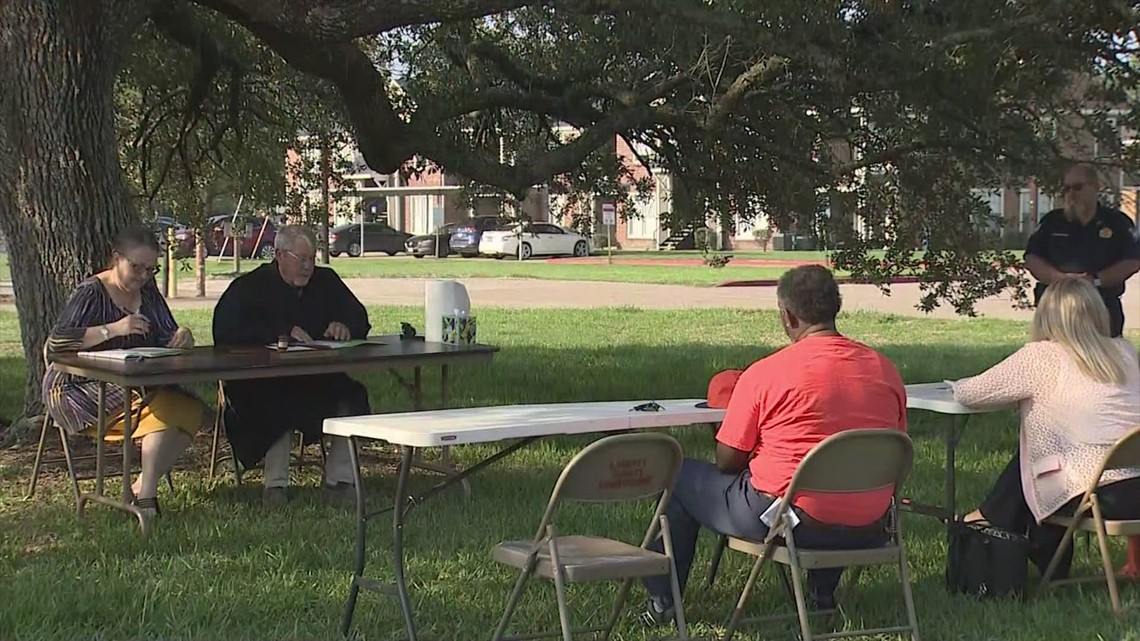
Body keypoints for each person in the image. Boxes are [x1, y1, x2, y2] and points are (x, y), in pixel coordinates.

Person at [642, 265, 908, 624]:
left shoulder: (767, 373)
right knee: (838, 490)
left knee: (682, 475)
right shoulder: (885, 370)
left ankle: (662, 602)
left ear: (787, 316)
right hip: (871, 523)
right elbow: (892, 449)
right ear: (836, 308)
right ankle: (822, 595)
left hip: (791, 522)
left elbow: (727, 462)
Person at [951, 276, 1140, 579]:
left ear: (1046, 315)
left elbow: (971, 394)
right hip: (1133, 486)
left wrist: (954, 384)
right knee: (1040, 457)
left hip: (1091, 492)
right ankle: (990, 519)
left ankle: (987, 528)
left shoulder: (1042, 356)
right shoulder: (1124, 353)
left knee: (1039, 465)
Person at [42, 225, 207, 517]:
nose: (143, 276)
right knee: (167, 408)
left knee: (191, 410)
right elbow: (57, 343)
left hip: (134, 383)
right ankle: (146, 501)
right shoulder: (91, 292)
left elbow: (167, 334)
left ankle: (142, 486)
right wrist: (113, 329)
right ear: (116, 258)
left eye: (150, 270)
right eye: (136, 267)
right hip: (75, 387)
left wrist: (182, 335)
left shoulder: (148, 293)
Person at [212, 224, 372, 505]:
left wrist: (344, 326)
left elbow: (359, 317)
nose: (308, 267)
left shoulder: (327, 281)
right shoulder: (249, 288)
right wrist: (280, 332)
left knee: (353, 394)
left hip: (314, 378)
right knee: (277, 402)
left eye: (311, 258)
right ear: (280, 255)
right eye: (301, 259)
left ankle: (340, 480)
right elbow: (226, 331)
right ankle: (275, 486)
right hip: (260, 381)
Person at [1024, 163, 1140, 337]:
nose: (1071, 194)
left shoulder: (1117, 222)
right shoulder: (1052, 221)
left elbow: (1132, 261)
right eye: (1067, 188)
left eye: (1077, 187)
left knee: (1102, 361)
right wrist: (1060, 279)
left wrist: (1095, 281)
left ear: (1095, 187)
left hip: (1102, 307)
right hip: (1057, 308)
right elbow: (1032, 258)